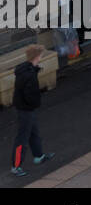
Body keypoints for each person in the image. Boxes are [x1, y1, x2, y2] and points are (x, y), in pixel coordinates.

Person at [10, 45, 53, 177]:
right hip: (26, 109)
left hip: (24, 108)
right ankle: (16, 166)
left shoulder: (24, 68)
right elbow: (30, 94)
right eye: (41, 55)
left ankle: (38, 156)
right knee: (22, 138)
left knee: (34, 132)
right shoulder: (29, 75)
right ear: (37, 57)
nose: (41, 57)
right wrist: (36, 103)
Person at [53, 0, 81, 69]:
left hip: (63, 21)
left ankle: (70, 53)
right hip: (64, 21)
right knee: (68, 38)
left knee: (67, 39)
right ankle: (71, 52)